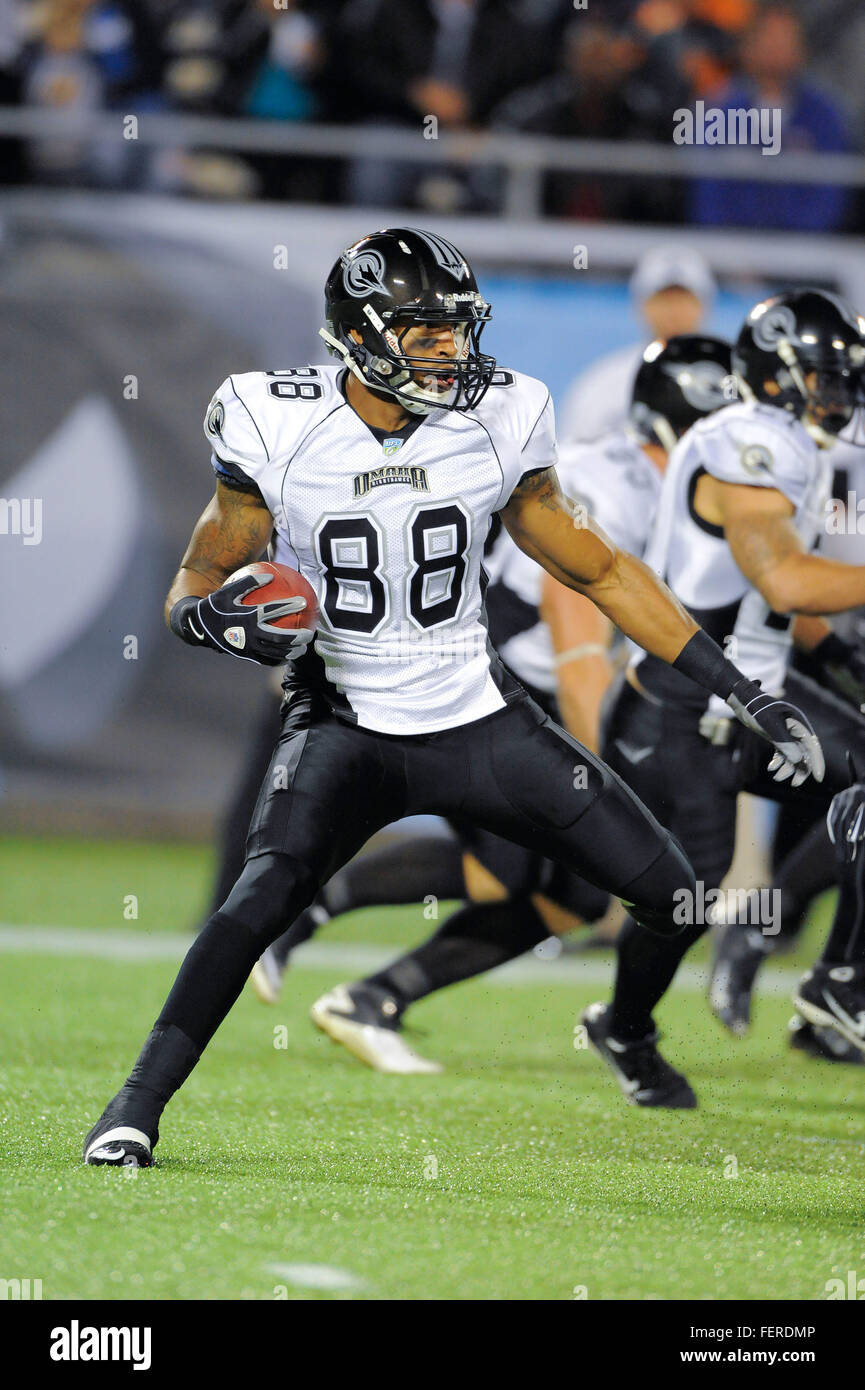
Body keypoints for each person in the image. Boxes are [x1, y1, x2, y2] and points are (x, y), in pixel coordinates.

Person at [82, 227, 818, 1167]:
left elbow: (601, 570)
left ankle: (625, 1030)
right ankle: (132, 1108)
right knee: (252, 903)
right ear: (358, 334)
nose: (450, 350)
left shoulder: (502, 414)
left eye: (456, 328)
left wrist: (743, 691)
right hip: (345, 719)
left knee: (675, 898)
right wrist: (208, 621)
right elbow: (197, 576)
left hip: (478, 715)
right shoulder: (273, 419)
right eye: (423, 331)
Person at [252, 334, 734, 1074]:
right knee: (503, 872)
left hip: (535, 675)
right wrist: (606, 781)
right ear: (680, 429)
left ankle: (373, 994)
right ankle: (304, 912)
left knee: (569, 898)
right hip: (495, 671)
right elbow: (576, 649)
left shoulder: (666, 484)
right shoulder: (616, 482)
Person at [582, 288, 865, 1108]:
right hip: (681, 708)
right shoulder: (748, 441)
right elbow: (779, 573)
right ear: (771, 377)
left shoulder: (786, 443)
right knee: (681, 900)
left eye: (844, 379)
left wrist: (846, 662)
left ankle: (836, 977)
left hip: (758, 699)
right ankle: (625, 1025)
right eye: (820, 378)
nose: (836, 396)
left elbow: (771, 602)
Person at [557, 245, 715, 442]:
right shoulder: (602, 385)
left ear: (704, 306)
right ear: (641, 305)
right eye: (663, 300)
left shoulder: (730, 382)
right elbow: (572, 460)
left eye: (684, 299)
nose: (675, 311)